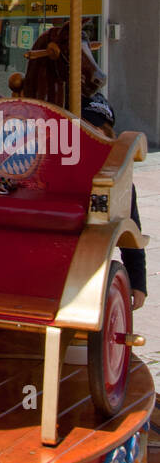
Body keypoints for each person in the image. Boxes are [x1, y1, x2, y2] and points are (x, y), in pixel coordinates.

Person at [82, 92, 147, 309]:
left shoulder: (118, 182)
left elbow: (131, 231)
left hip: (91, 264)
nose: (90, 137)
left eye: (96, 132)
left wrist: (138, 282)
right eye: (84, 130)